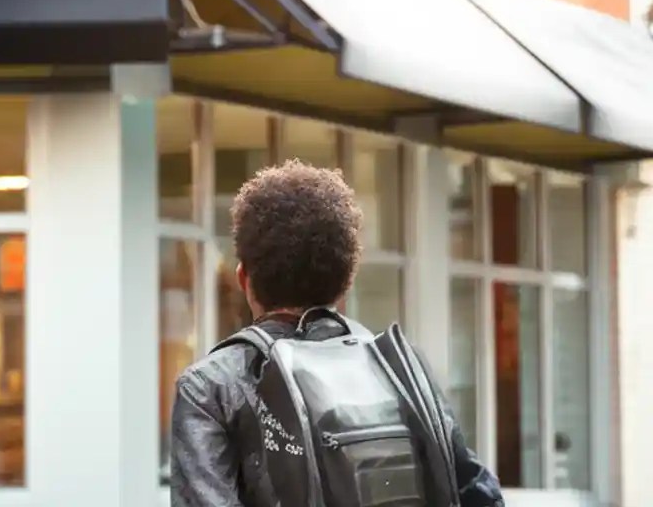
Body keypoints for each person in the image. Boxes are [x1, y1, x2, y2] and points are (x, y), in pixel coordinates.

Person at [169, 160, 503, 507]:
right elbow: (481, 495)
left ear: (243, 279)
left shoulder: (209, 387)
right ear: (345, 284)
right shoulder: (397, 369)